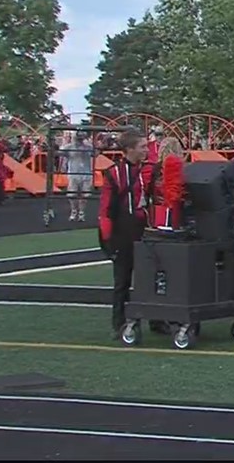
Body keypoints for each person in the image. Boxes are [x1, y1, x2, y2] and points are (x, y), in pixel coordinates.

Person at [98, 130, 154, 336]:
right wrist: (107, 239)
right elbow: (105, 209)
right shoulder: (114, 173)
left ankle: (156, 320)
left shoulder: (150, 170)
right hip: (123, 231)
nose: (147, 150)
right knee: (122, 280)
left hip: (145, 230)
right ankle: (119, 323)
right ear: (129, 149)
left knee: (150, 277)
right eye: (142, 147)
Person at [60, 131, 95, 222]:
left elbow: (96, 153)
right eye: (78, 137)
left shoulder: (88, 147)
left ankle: (81, 213)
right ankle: (74, 211)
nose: (79, 139)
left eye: (81, 138)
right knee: (72, 194)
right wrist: (66, 140)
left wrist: (93, 144)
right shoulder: (68, 147)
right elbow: (59, 153)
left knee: (85, 195)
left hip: (86, 174)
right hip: (73, 174)